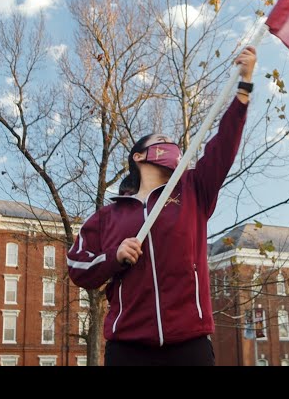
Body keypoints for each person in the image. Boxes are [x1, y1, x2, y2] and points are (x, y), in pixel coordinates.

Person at [67, 46, 258, 366]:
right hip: (128, 348)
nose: (172, 145)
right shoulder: (107, 216)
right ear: (139, 156)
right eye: (162, 140)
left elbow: (223, 147)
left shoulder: (194, 190)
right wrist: (114, 257)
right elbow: (78, 267)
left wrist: (244, 88)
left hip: (189, 345)